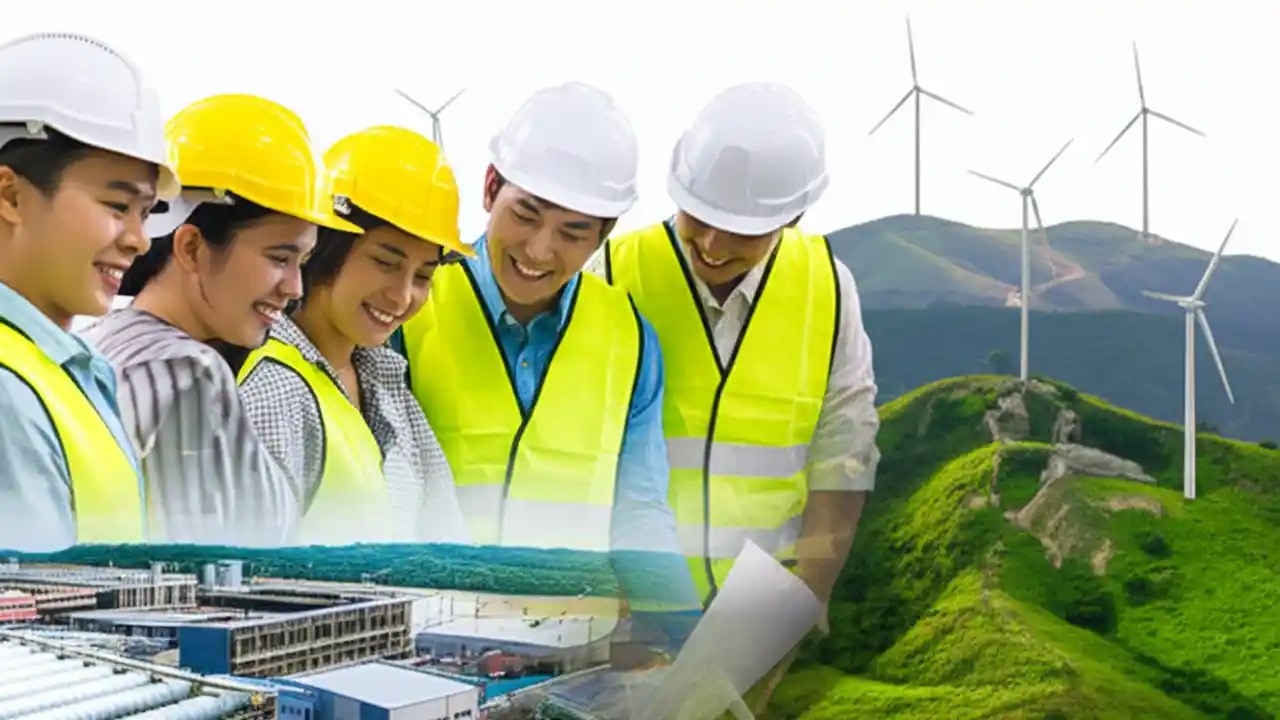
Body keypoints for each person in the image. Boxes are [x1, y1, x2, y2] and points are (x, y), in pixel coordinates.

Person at [592, 82, 882, 700]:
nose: (712, 246)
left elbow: (845, 447)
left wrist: (812, 593)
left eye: (740, 230)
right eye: (701, 218)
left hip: (759, 622)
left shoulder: (828, 288)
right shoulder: (613, 273)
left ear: (793, 217)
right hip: (627, 614)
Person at [395, 82, 703, 660]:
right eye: (526, 215)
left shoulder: (630, 339)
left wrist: (695, 646)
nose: (539, 250)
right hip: (428, 652)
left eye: (573, 233)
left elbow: (639, 513)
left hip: (569, 657)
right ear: (490, 188)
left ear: (604, 234)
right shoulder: (409, 307)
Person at [80, 93, 348, 548]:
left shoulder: (96, 349)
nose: (295, 287)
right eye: (280, 257)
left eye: (302, 261)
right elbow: (196, 590)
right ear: (190, 248)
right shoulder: (185, 375)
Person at [236, 125, 472, 546]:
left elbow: (445, 539)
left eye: (422, 275)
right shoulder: (274, 390)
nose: (402, 297)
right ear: (324, 247)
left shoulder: (385, 384)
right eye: (385, 262)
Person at [0, 31, 178, 552]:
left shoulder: (65, 372)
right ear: (10, 195)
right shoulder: (10, 388)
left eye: (145, 214)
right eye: (116, 206)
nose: (139, 240)